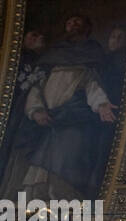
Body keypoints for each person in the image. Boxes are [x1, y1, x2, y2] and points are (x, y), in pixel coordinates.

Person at [11, 14, 118, 200]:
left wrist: (101, 106)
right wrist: (36, 111)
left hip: (73, 120)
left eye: (78, 21)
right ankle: (35, 202)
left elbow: (93, 86)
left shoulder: (92, 53)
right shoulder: (53, 54)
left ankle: (63, 205)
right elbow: (36, 87)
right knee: (39, 168)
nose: (73, 24)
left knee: (66, 164)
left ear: (87, 27)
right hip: (48, 120)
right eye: (69, 21)